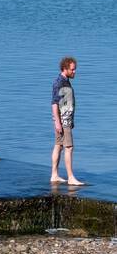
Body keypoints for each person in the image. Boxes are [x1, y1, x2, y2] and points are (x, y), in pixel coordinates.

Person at [51, 56, 84, 186]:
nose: (74, 72)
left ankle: (54, 175)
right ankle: (70, 177)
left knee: (58, 146)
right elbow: (54, 104)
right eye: (72, 70)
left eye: (75, 69)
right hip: (63, 121)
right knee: (69, 147)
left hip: (64, 120)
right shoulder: (59, 82)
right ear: (65, 69)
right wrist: (58, 122)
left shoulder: (64, 81)